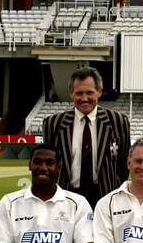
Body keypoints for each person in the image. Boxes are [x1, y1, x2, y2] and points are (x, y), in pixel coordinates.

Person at [42, 66, 133, 210]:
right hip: (66, 199)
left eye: (89, 92)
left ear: (99, 92)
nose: (84, 98)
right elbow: (47, 165)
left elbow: (123, 165)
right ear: (71, 94)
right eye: (79, 93)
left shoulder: (118, 121)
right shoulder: (53, 124)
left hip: (105, 198)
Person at [0, 143, 95, 243]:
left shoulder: (78, 203)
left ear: (59, 167)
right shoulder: (9, 202)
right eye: (37, 162)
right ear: (30, 165)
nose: (43, 168)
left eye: (49, 163)